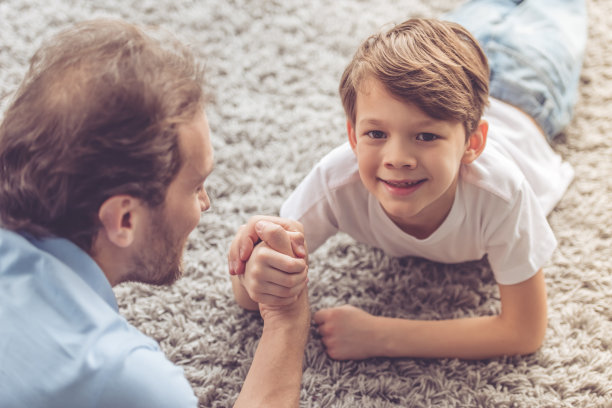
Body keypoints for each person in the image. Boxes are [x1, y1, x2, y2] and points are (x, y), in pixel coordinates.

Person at [229, 0, 587, 360]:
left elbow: (524, 331)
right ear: (352, 137)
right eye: (376, 133)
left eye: (426, 136)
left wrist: (380, 336)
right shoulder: (335, 182)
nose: (397, 159)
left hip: (529, 84)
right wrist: (251, 276)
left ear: (473, 143)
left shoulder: (499, 195)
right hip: (461, 56)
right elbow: (253, 291)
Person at [0, 20, 310, 407]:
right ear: (124, 219)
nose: (206, 203)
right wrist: (286, 316)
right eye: (195, 186)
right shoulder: (120, 374)